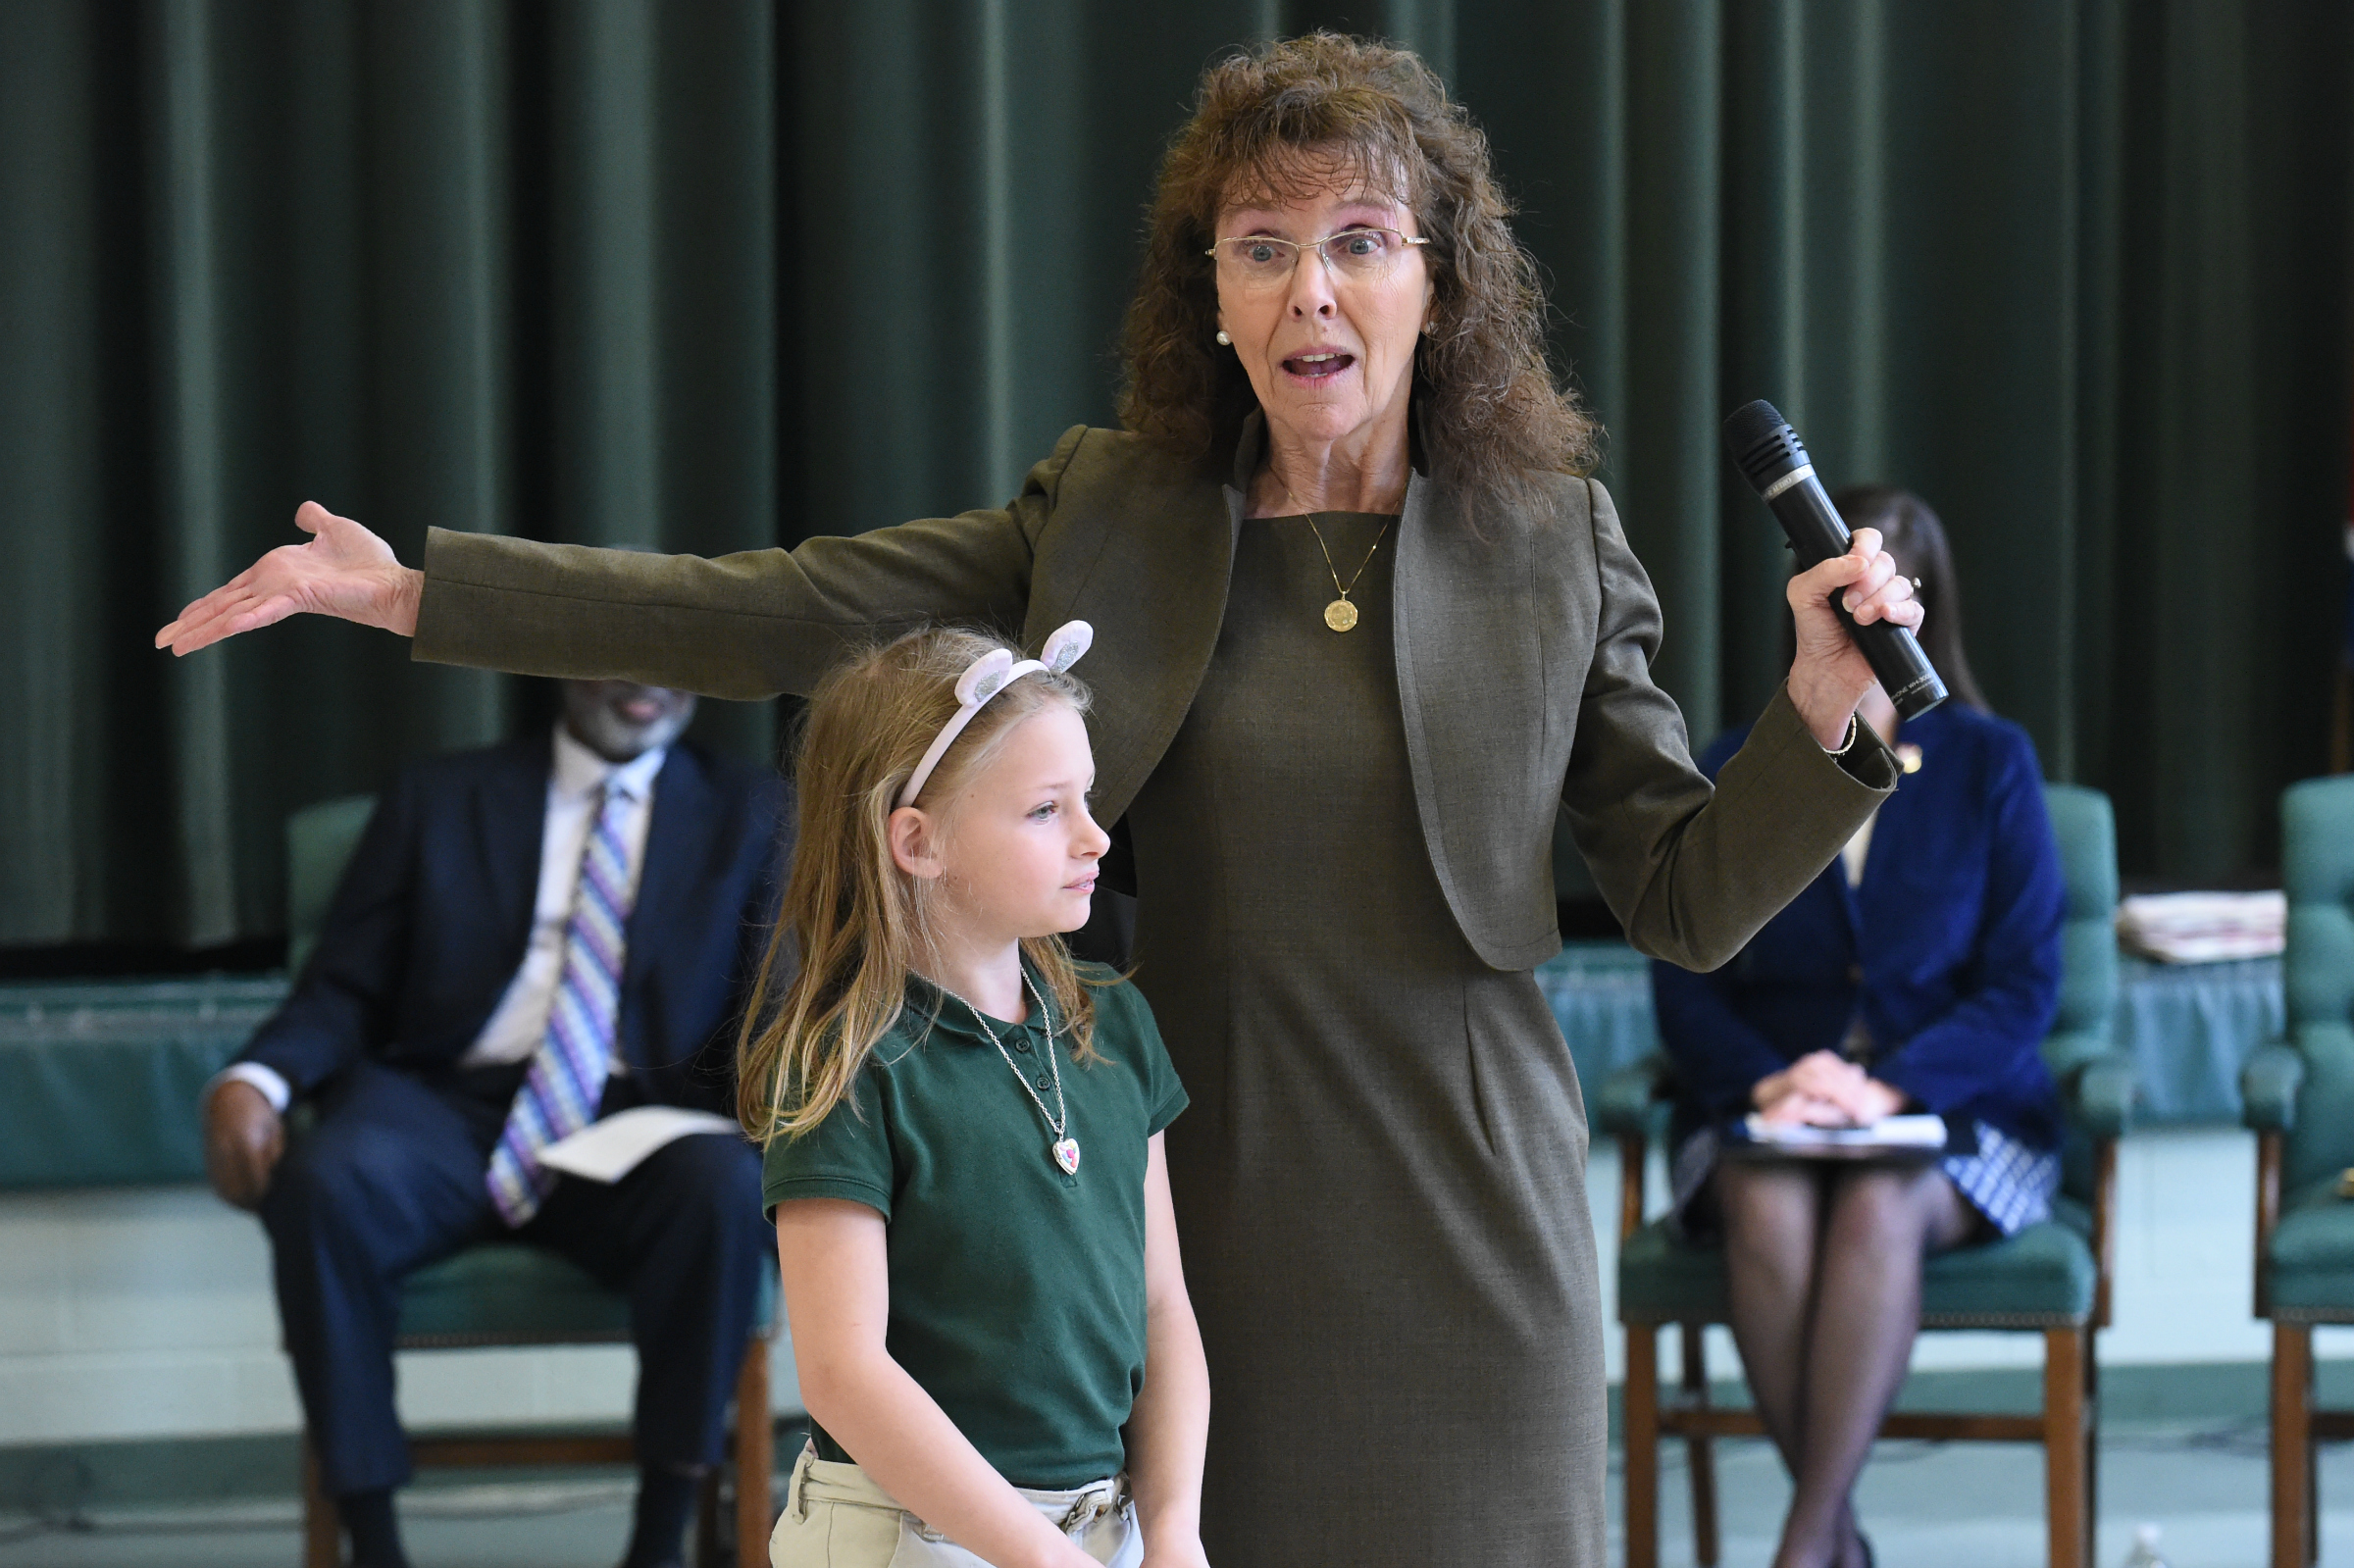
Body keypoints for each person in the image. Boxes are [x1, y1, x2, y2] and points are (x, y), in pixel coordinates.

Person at [158, 35, 1929, 1568]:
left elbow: (1687, 896)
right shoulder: (1114, 512)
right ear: (1212, 299)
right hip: (1174, 1205)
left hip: (1476, 1233)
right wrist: (421, 593)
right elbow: (779, 605)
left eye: (1360, 243)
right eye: (1263, 248)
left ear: (1438, 285)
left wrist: (1820, 715)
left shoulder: (1553, 538)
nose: (1313, 288)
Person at [202, 679, 787, 1568]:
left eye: (670, 658)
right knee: (325, 1183)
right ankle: (375, 1538)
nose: (645, 682)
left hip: (644, 1122)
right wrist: (257, 1078)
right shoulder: (438, 796)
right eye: (614, 656)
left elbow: (775, 1011)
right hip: (451, 1108)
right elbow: (344, 985)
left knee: (721, 1185)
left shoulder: (753, 811)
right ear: (558, 664)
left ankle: (660, 1537)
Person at [1651, 485, 2065, 1568]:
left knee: (1878, 1207)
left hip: (1952, 1124)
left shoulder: (1991, 764)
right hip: (1768, 1116)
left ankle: (1804, 1547)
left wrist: (1894, 1088)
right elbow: (1686, 978)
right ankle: (1833, 1543)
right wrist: (1769, 1086)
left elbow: (2024, 988)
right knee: (1769, 1207)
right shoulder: (1735, 761)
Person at [749, 625, 1207, 1568]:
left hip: (1101, 1530)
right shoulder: (849, 1062)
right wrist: (1035, 1557)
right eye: (1046, 810)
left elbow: (1163, 1307)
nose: (1096, 835)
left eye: (1086, 797)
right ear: (917, 842)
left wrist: (1171, 1529)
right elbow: (844, 1373)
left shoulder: (1116, 1029)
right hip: (902, 1532)